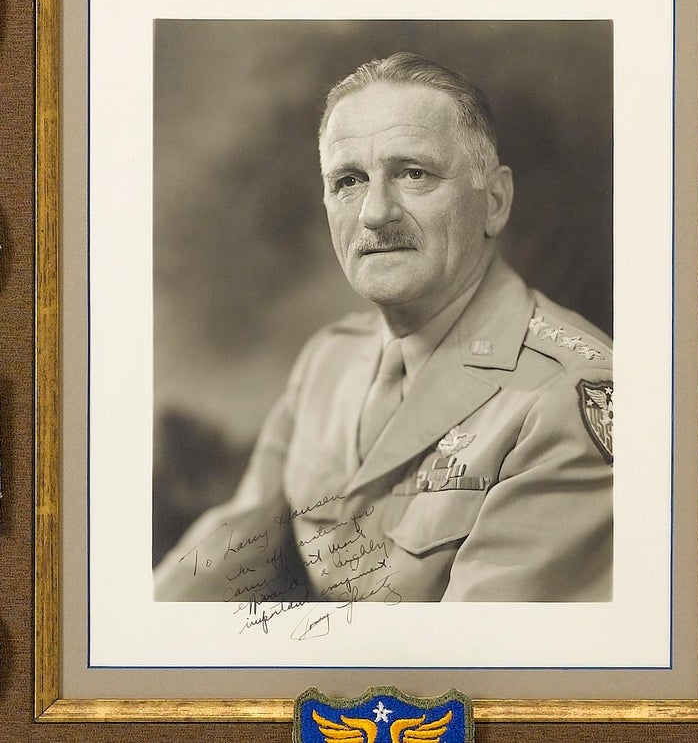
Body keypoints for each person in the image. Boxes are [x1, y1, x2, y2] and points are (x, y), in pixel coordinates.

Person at [154, 52, 613, 604]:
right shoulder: (329, 359)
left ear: (494, 201)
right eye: (348, 180)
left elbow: (483, 662)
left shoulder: (565, 396)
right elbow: (234, 547)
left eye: (413, 173)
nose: (375, 213)